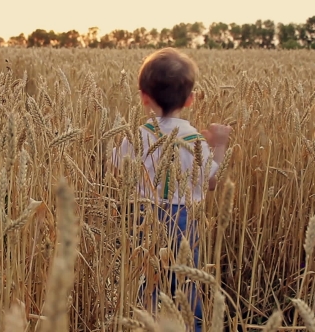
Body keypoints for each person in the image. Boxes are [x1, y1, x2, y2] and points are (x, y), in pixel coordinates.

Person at [111, 47, 232, 331]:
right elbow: (212, 182)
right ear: (190, 100)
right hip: (184, 221)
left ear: (143, 97)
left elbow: (115, 167)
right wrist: (220, 146)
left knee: (146, 280)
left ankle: (146, 324)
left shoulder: (137, 135)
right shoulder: (196, 141)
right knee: (187, 282)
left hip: (142, 217)